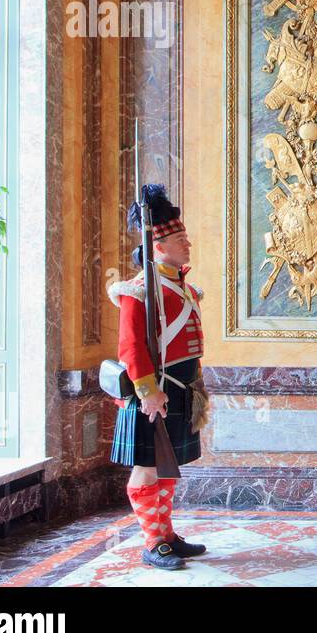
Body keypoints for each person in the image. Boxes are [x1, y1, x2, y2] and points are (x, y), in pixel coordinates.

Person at [107, 185, 210, 570]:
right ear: (159, 245)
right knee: (147, 467)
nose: (188, 244)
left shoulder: (183, 288)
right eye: (181, 239)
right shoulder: (138, 291)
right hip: (153, 393)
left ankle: (166, 534)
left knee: (168, 465)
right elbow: (131, 348)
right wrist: (148, 393)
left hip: (181, 390)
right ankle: (152, 542)